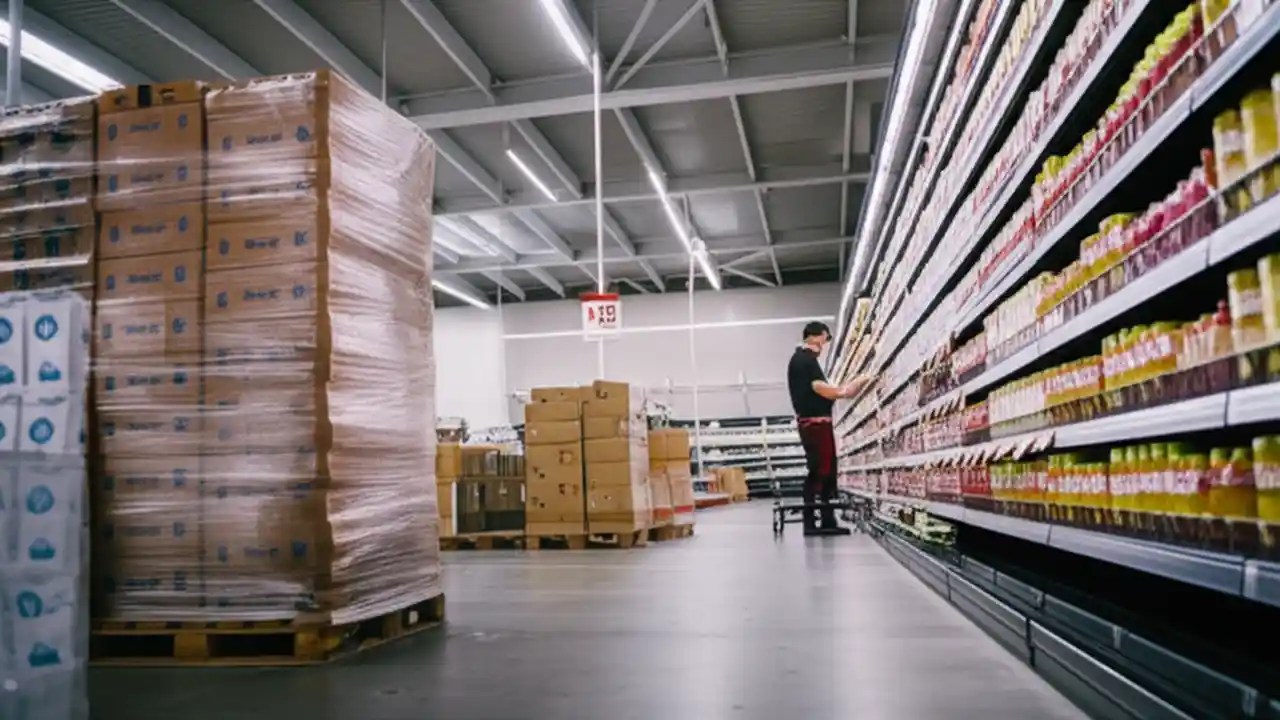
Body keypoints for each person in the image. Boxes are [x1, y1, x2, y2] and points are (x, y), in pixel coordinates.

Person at [786, 321, 869, 536]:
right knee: (820, 470)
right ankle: (815, 521)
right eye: (825, 338)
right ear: (816, 337)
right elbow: (818, 387)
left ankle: (825, 518)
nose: (825, 344)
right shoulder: (804, 360)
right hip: (814, 423)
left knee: (825, 470)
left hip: (815, 422)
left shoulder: (802, 359)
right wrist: (845, 390)